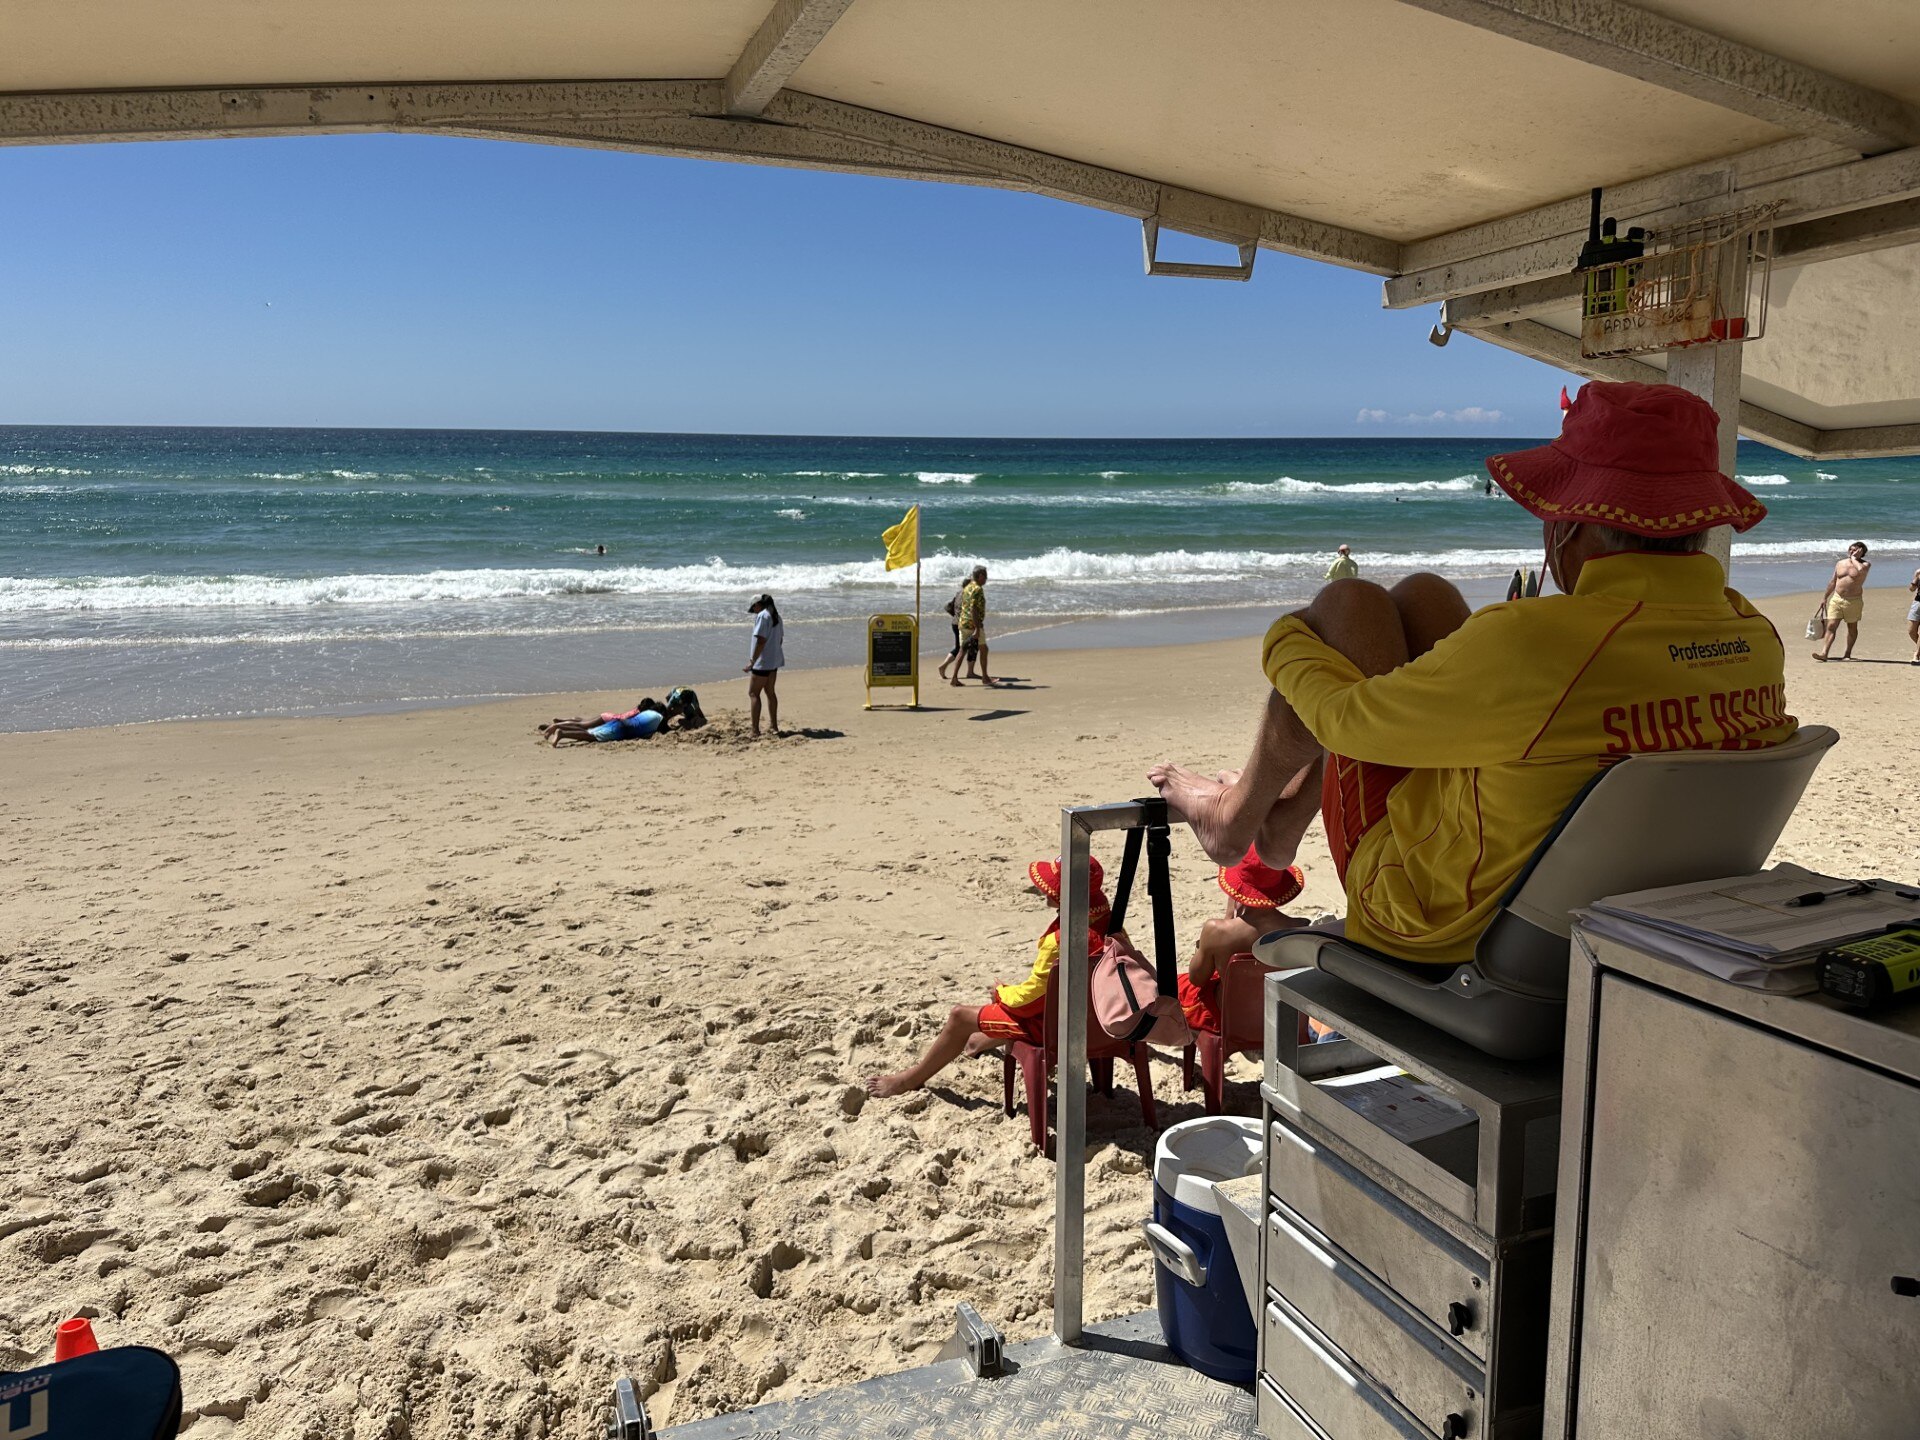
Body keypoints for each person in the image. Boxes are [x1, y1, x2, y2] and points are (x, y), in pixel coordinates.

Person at [1147, 381, 1794, 968]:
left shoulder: (1541, 643)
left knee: (1350, 606)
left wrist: (1285, 634)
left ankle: (1239, 817)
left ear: (1569, 526)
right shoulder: (1752, 638)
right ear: (1698, 530)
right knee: (1426, 595)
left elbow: (1344, 720)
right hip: (1604, 916)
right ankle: (1270, 821)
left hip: (1442, 923)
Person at [864, 858, 1112, 1097]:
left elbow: (1028, 1004)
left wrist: (1001, 992)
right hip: (1098, 1020)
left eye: (1052, 887)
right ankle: (978, 1042)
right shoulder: (1108, 921)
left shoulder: (1060, 941)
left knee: (960, 1016)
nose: (1043, 889)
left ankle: (909, 1080)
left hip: (1058, 1027)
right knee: (1021, 1000)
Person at [1176, 846, 1307, 1036]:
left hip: (1232, 1019)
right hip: (1282, 1019)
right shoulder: (1302, 929)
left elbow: (1197, 978)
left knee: (1181, 987)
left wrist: (1226, 919)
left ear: (1238, 888)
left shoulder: (1217, 931)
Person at [1812, 542, 1872, 661]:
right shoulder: (1840, 563)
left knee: (1852, 628)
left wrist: (1854, 558)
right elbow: (1833, 581)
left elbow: (1860, 570)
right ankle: (1824, 653)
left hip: (1853, 601)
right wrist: (1825, 597)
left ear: (1861, 552)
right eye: (1850, 549)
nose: (1851, 552)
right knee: (1831, 626)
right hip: (1837, 599)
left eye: (1855, 550)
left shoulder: (1865, 564)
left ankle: (1847, 653)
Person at [952, 565, 999, 687]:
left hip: (963, 623)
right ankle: (985, 678)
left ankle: (954, 678)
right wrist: (977, 629)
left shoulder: (967, 587)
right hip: (974, 624)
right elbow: (973, 609)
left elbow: (965, 606)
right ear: (981, 576)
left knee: (962, 650)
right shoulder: (978, 589)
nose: (986, 579)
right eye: (985, 576)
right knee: (984, 649)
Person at [745, 593, 784, 736]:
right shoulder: (777, 617)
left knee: (753, 693)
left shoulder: (763, 616)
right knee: (770, 692)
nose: (754, 612)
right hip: (774, 662)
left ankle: (755, 730)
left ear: (757, 605)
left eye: (753, 608)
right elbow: (780, 640)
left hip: (762, 663)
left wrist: (752, 661)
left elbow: (760, 641)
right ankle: (774, 726)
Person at [937, 579, 968, 682]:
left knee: (959, 648)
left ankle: (944, 667)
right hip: (961, 625)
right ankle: (943, 666)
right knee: (960, 649)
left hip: (954, 623)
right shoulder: (967, 595)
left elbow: (948, 606)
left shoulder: (958, 594)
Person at [1907, 568, 1920, 665]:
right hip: (1918, 602)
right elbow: (1911, 589)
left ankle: (1916, 655)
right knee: (1911, 631)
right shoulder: (1918, 572)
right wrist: (1915, 579)